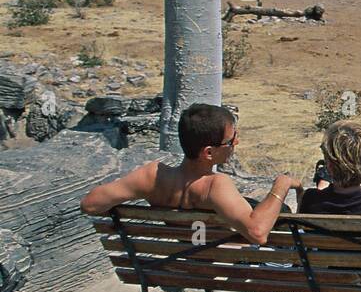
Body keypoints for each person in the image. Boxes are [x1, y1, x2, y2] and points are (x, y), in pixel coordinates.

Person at [79, 103, 300, 245]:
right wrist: (281, 185)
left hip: (176, 260)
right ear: (209, 152)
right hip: (211, 263)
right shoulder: (214, 185)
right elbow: (258, 233)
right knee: (279, 210)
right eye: (231, 141)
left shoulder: (151, 176)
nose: (236, 142)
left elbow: (90, 204)